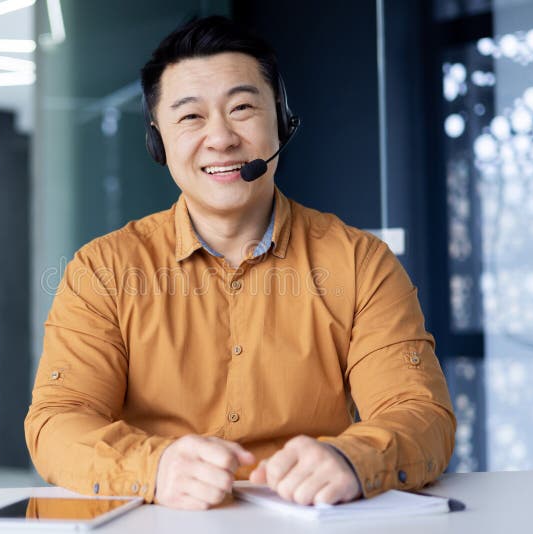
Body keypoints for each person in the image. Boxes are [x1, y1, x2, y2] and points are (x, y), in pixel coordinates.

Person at [25, 15, 456, 510]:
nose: (222, 138)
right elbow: (58, 422)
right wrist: (155, 467)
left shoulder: (361, 263)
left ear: (283, 121)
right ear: (157, 139)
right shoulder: (102, 270)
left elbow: (420, 412)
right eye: (190, 117)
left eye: (243, 108)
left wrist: (354, 458)